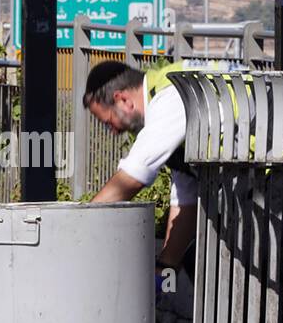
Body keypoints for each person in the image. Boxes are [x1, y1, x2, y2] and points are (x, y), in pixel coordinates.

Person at [82, 61, 198, 274]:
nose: (114, 132)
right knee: (193, 261)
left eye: (109, 122)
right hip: (256, 185)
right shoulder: (174, 91)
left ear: (123, 100)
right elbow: (186, 200)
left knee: (202, 262)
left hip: (271, 183)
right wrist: (164, 273)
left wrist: (76, 226)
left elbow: (133, 177)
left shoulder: (171, 95)